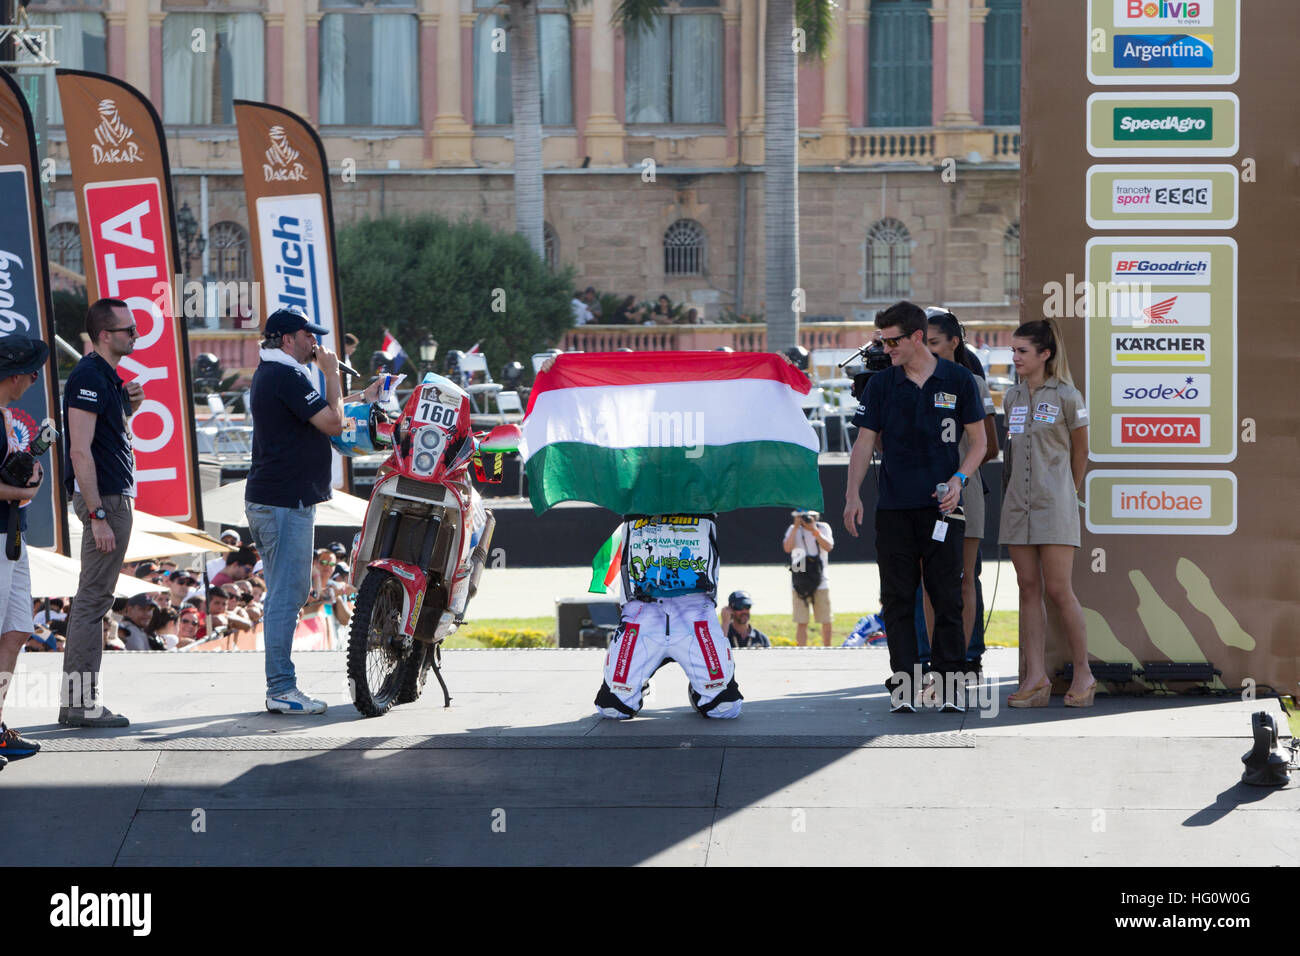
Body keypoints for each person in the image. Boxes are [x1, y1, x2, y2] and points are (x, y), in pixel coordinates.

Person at [842, 301, 987, 713]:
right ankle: (904, 685)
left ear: (917, 337)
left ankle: (951, 686)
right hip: (894, 508)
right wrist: (852, 494)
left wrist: (959, 479)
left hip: (942, 507)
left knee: (947, 597)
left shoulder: (959, 379)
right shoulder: (882, 385)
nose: (887, 349)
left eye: (893, 341)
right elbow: (864, 443)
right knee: (898, 599)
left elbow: (979, 442)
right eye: (883, 342)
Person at [245, 307, 378, 714]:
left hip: (282, 499)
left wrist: (360, 397)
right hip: (285, 501)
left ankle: (280, 685)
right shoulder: (285, 374)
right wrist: (333, 374)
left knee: (289, 591)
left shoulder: (279, 372)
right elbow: (334, 424)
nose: (315, 343)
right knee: (287, 594)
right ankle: (281, 688)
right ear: (287, 339)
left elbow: (318, 415)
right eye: (308, 335)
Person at [1000, 319, 1095, 708]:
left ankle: (1084, 674)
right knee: (1027, 588)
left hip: (1054, 504)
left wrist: (1067, 493)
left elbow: (1081, 452)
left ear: (1045, 354)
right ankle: (1035, 677)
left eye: (1022, 351)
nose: (1015, 358)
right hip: (1016, 504)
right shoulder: (1011, 397)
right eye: (1013, 351)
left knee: (1059, 590)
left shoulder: (1069, 396)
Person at [60, 299, 144, 728]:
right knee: (93, 601)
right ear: (105, 335)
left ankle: (76, 701)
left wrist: (130, 405)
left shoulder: (106, 378)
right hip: (104, 500)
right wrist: (96, 514)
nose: (136, 335)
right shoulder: (90, 376)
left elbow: (108, 440)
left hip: (110, 497)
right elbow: (79, 449)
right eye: (128, 329)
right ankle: (79, 703)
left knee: (94, 600)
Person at [593, 514, 743, 720]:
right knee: (612, 708)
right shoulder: (629, 483)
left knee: (724, 707)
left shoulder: (707, 485)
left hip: (694, 609)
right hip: (643, 608)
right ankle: (638, 681)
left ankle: (701, 687)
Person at [921, 308, 999, 663]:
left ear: (954, 342)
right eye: (924, 342)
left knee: (965, 578)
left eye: (935, 342)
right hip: (921, 494)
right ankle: (939, 659)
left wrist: (959, 474)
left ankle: (965, 659)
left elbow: (991, 446)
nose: (929, 349)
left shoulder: (973, 383)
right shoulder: (910, 382)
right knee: (929, 582)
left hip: (966, 492)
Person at [0, 335, 55, 765]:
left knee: (18, 629)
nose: (35, 379)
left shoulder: (3, 415)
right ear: (15, 375)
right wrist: (19, 488)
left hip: (12, 534)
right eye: (33, 372)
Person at [783, 508, 835, 646]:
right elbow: (787, 548)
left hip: (821, 580)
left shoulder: (823, 528)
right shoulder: (793, 529)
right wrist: (795, 527)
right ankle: (802, 651)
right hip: (799, 581)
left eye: (808, 517)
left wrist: (813, 530)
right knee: (801, 621)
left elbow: (829, 547)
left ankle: (828, 650)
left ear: (815, 516)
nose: (805, 520)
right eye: (802, 517)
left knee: (826, 619)